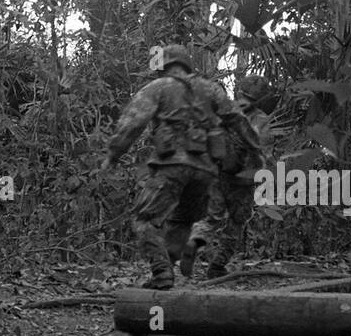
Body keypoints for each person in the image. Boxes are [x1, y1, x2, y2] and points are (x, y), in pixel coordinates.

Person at [101, 45, 252, 289]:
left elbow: (133, 122)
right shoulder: (211, 88)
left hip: (173, 165)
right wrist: (255, 149)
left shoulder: (159, 87)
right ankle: (167, 272)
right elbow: (238, 119)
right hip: (206, 171)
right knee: (182, 220)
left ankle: (161, 271)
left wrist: (112, 154)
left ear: (163, 65)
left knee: (143, 220)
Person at [183, 74, 275, 280]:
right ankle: (217, 266)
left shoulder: (225, 110)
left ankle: (195, 240)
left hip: (218, 174)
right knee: (236, 223)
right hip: (243, 181)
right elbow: (264, 153)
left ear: (239, 90)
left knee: (211, 218)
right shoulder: (261, 119)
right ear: (260, 98)